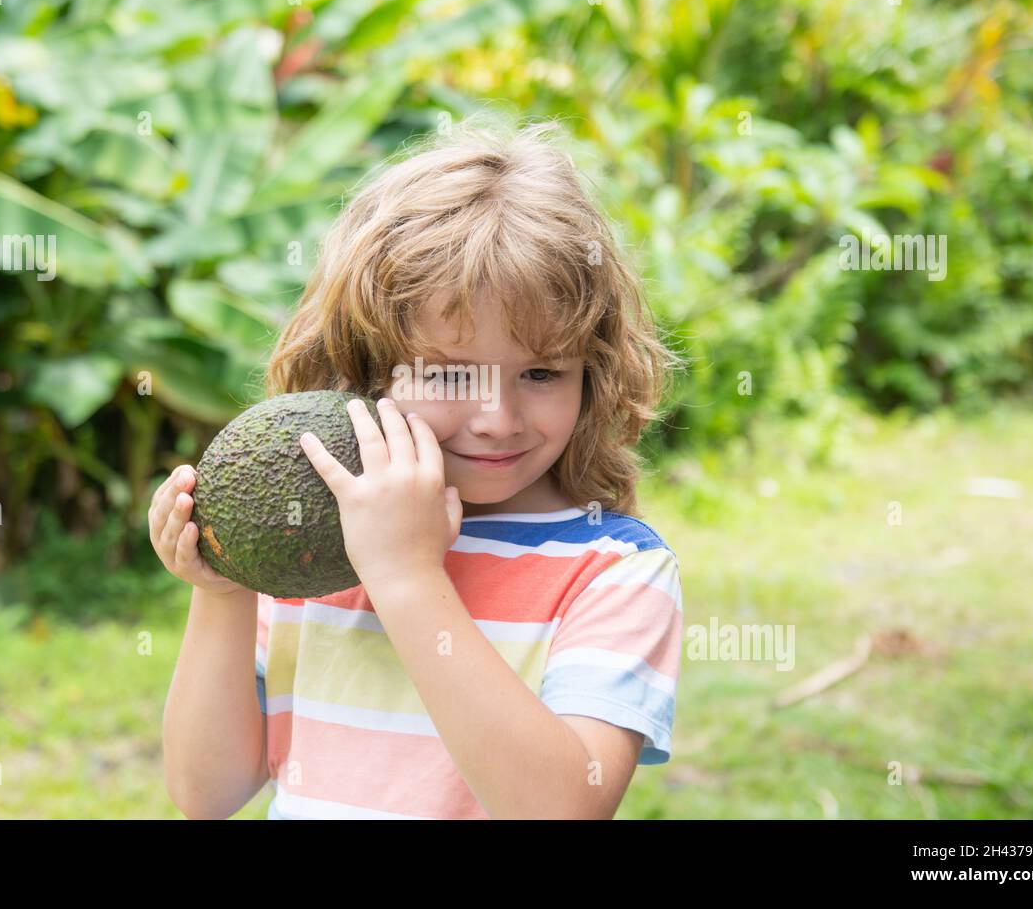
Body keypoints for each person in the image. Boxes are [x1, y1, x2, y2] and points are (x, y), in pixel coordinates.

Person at [152, 116, 684, 819]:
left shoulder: (612, 569)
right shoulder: (311, 545)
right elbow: (207, 795)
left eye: (541, 373)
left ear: (594, 374)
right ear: (369, 371)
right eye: (452, 376)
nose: (497, 418)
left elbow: (560, 808)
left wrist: (406, 575)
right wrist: (222, 593)